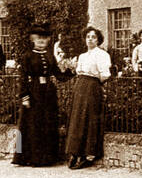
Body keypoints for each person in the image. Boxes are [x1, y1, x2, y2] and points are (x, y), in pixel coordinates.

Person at [13, 23, 69, 167]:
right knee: (32, 124)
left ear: (48, 40)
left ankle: (48, 158)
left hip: (48, 93)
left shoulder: (50, 55)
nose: (42, 41)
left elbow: (58, 74)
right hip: (34, 92)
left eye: (44, 38)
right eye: (39, 38)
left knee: (48, 123)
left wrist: (72, 72)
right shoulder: (27, 56)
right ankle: (30, 158)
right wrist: (24, 97)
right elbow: (23, 77)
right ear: (33, 39)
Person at [59, 26, 111, 169]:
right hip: (80, 87)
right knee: (77, 119)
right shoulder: (82, 56)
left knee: (89, 119)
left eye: (93, 37)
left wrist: (94, 82)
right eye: (88, 37)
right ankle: (75, 152)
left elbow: (105, 75)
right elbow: (78, 72)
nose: (90, 39)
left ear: (98, 40)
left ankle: (89, 155)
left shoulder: (102, 55)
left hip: (92, 87)